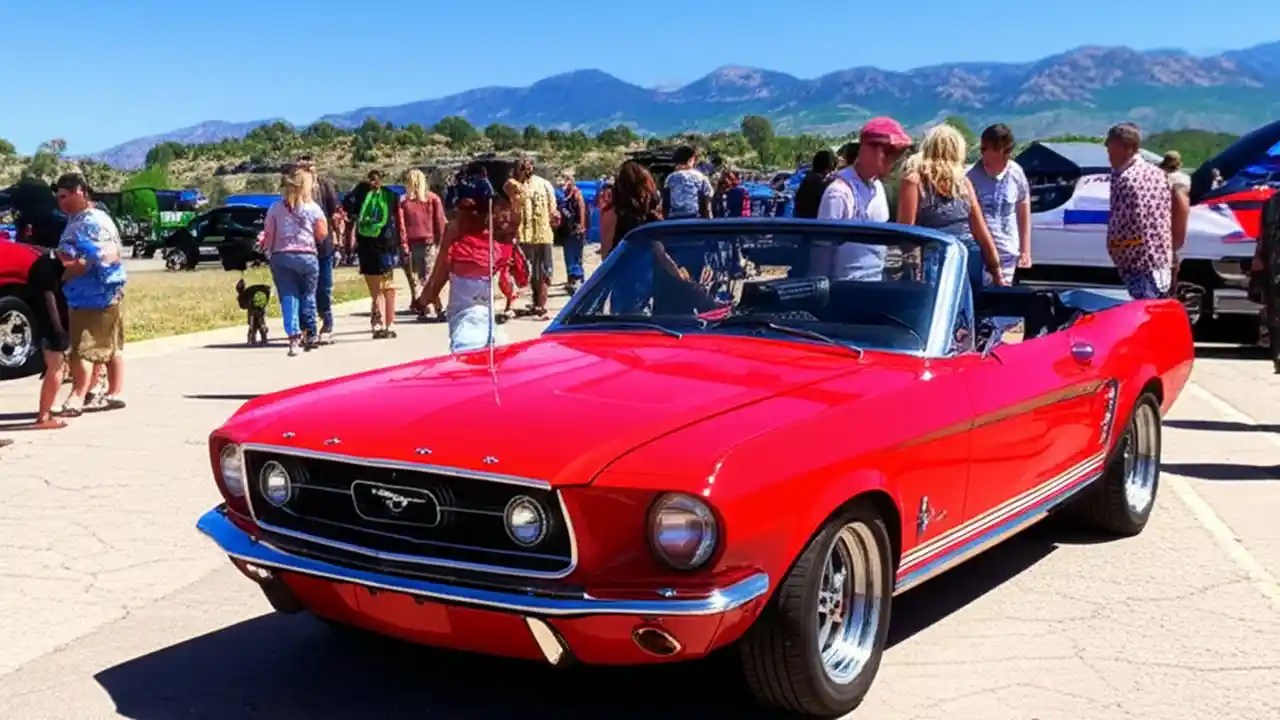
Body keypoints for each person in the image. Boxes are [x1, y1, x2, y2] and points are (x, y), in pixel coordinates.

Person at [898, 124, 1007, 294]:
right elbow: (979, 229)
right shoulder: (963, 183)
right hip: (966, 256)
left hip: (932, 258)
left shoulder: (914, 181)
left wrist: (913, 270)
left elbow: (906, 234)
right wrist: (996, 268)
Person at [52, 173, 127, 416]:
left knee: (83, 349)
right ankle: (111, 393)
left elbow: (98, 257)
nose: (60, 202)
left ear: (80, 192)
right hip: (85, 295)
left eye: (64, 196)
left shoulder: (94, 221)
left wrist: (63, 274)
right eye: (58, 198)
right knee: (106, 346)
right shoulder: (77, 219)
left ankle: (78, 396)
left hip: (96, 295)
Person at [812, 117, 914, 281]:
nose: (896, 162)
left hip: (875, 283)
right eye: (892, 154)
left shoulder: (878, 188)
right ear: (877, 152)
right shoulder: (839, 193)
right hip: (845, 288)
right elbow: (822, 253)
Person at [420, 173, 509, 353]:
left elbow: (437, 280)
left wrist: (423, 299)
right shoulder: (497, 240)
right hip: (491, 325)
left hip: (465, 326)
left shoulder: (456, 237)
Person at [1104, 123, 1176, 300]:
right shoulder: (1157, 173)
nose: (1108, 151)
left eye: (1111, 146)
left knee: (1143, 315)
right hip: (1160, 259)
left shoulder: (1126, 179)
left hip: (1138, 263)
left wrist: (1116, 249)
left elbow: (1125, 224)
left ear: (1126, 148)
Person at [261, 167, 326, 356]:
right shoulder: (312, 208)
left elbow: (269, 234)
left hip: (281, 255)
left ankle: (293, 336)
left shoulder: (275, 208)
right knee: (308, 294)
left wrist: (268, 250)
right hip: (307, 255)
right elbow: (322, 233)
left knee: (289, 296)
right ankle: (310, 331)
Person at [967, 124, 1032, 285]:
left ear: (1004, 152)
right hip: (981, 257)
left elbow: (1023, 212)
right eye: (981, 149)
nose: (982, 154)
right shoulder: (971, 178)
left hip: (1009, 255)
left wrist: (1025, 251)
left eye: (985, 149)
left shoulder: (1016, 173)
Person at [345, 170, 402, 338]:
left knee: (375, 288)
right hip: (386, 242)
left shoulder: (360, 193)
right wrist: (402, 241)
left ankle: (376, 321)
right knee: (388, 284)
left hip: (366, 243)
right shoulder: (390, 195)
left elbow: (347, 207)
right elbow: (399, 220)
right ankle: (389, 323)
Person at [296, 155, 343, 344]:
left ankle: (327, 323)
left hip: (323, 246)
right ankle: (306, 327)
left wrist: (338, 243)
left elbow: (335, 215)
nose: (306, 169)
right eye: (301, 166)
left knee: (323, 288)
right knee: (303, 290)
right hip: (300, 247)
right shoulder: (295, 187)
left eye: (308, 166)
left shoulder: (324, 185)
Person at [398, 168, 447, 321]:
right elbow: (440, 222)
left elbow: (401, 225)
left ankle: (430, 306)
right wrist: (442, 242)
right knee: (429, 276)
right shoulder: (433, 199)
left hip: (412, 243)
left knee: (418, 278)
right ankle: (433, 307)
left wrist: (403, 243)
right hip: (429, 241)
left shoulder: (403, 201)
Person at [28, 252, 70, 429]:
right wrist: (58, 327)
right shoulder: (47, 267)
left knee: (56, 367)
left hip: (43, 321)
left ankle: (46, 412)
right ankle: (44, 416)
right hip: (49, 323)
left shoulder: (43, 263)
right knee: (56, 367)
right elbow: (49, 298)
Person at [514, 157, 559, 319]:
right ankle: (536, 302)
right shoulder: (515, 186)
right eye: (522, 167)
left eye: (527, 166)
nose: (526, 170)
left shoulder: (544, 185)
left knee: (544, 272)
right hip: (525, 236)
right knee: (531, 273)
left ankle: (541, 305)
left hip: (542, 233)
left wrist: (555, 217)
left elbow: (553, 209)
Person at [601, 160, 663, 257]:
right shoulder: (653, 218)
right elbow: (661, 253)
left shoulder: (614, 212)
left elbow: (606, 253)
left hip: (623, 264)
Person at [556, 170, 588, 294]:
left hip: (575, 228)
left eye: (565, 179)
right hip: (567, 230)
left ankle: (578, 279)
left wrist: (581, 226)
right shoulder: (564, 195)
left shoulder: (576, 194)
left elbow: (581, 209)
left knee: (575, 254)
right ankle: (571, 279)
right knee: (568, 254)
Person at [663, 145, 713, 220]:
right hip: (694, 218)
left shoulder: (670, 178)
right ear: (691, 160)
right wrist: (709, 216)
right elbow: (708, 196)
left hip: (674, 219)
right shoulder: (700, 176)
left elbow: (666, 200)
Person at [792, 150, 838, 219]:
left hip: (800, 224)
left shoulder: (806, 181)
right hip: (815, 226)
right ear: (828, 169)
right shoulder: (825, 187)